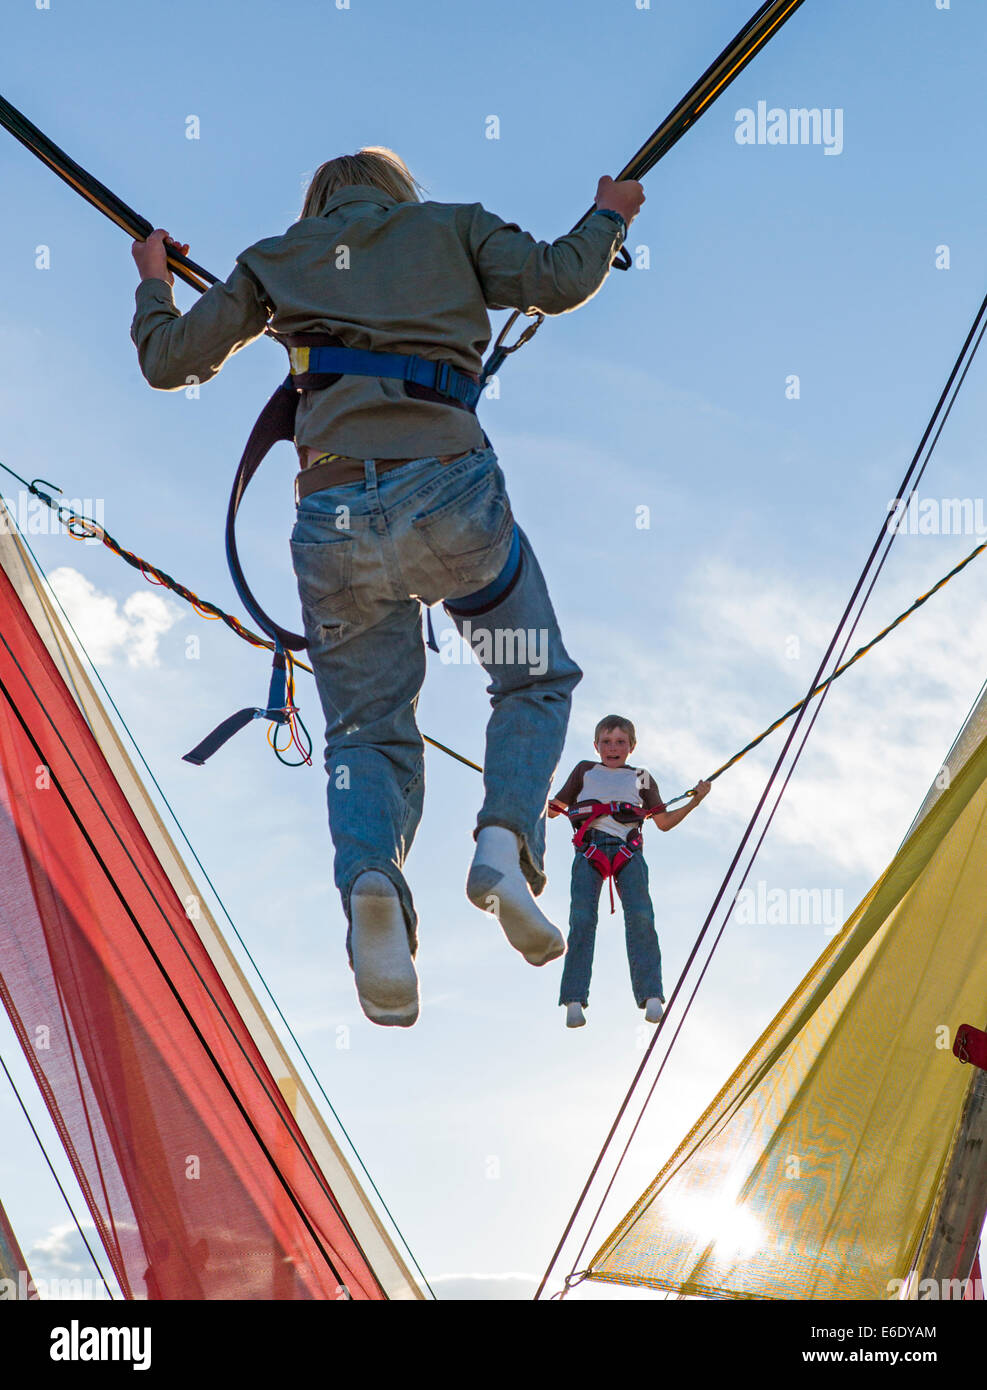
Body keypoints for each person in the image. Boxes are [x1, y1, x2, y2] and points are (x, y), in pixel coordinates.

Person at [129, 147, 645, 1029]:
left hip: (331, 515)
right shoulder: (453, 225)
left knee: (367, 730)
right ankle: (501, 842)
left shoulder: (275, 259)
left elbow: (168, 362)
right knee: (532, 678)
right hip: (450, 499)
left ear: (317, 201)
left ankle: (372, 878)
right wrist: (610, 214)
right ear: (398, 190)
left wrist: (153, 280)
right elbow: (557, 279)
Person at [548, 714, 710, 1028]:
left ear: (631, 746)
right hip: (589, 850)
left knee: (641, 918)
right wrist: (531, 794)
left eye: (620, 742)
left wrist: (694, 801)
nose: (613, 748)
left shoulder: (641, 777)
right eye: (606, 742)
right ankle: (573, 999)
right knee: (582, 919)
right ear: (596, 745)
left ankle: (651, 995)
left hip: (628, 852)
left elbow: (662, 822)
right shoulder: (584, 771)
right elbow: (553, 811)